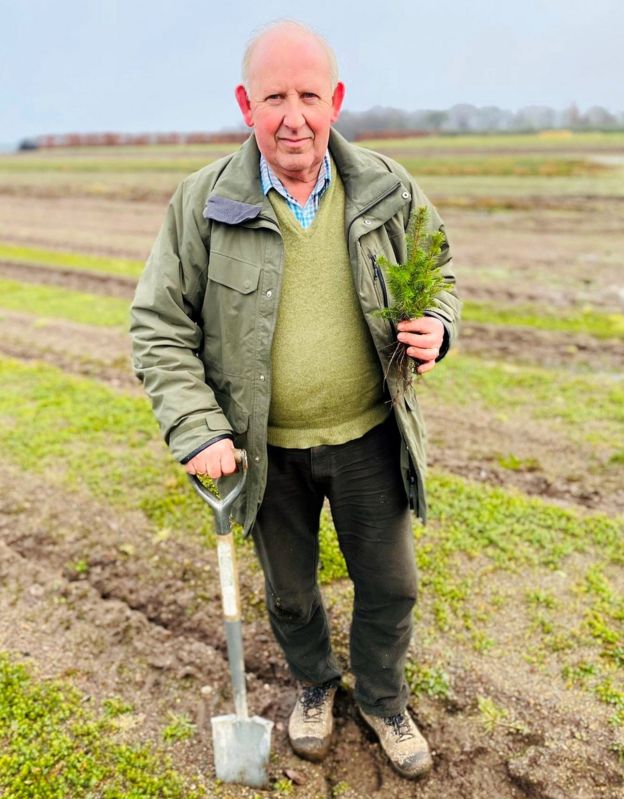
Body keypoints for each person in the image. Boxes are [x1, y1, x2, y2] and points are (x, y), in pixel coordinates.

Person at [130, 20, 460, 781]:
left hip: (370, 436)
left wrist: (437, 325)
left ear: (335, 100)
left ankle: (380, 697)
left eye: (308, 95)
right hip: (262, 448)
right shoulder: (204, 204)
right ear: (246, 104)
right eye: (274, 96)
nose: (292, 116)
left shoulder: (386, 186)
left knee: (392, 583)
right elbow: (158, 327)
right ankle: (314, 683)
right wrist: (198, 427)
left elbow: (437, 268)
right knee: (289, 591)